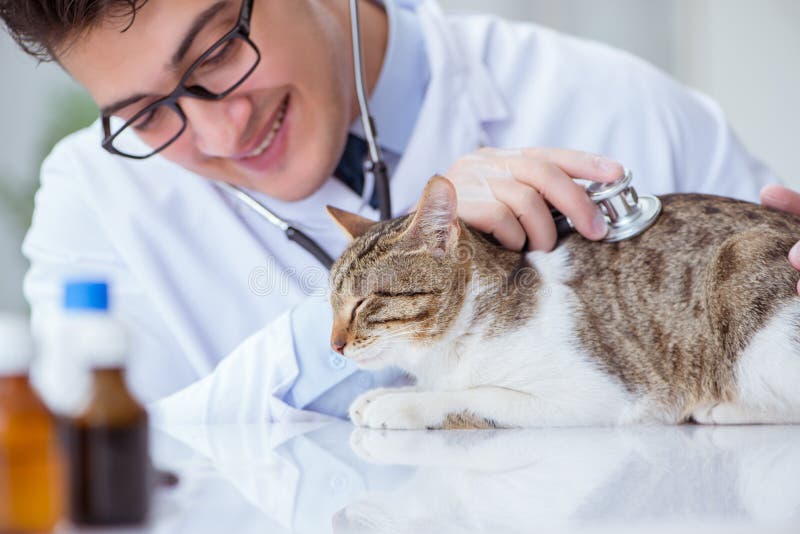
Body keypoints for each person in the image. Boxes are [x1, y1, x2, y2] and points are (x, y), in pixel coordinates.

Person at [2, 0, 799, 424]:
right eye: (147, 113)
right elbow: (102, 472)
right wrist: (320, 341)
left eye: (216, 52)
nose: (220, 128)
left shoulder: (615, 103)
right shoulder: (95, 196)